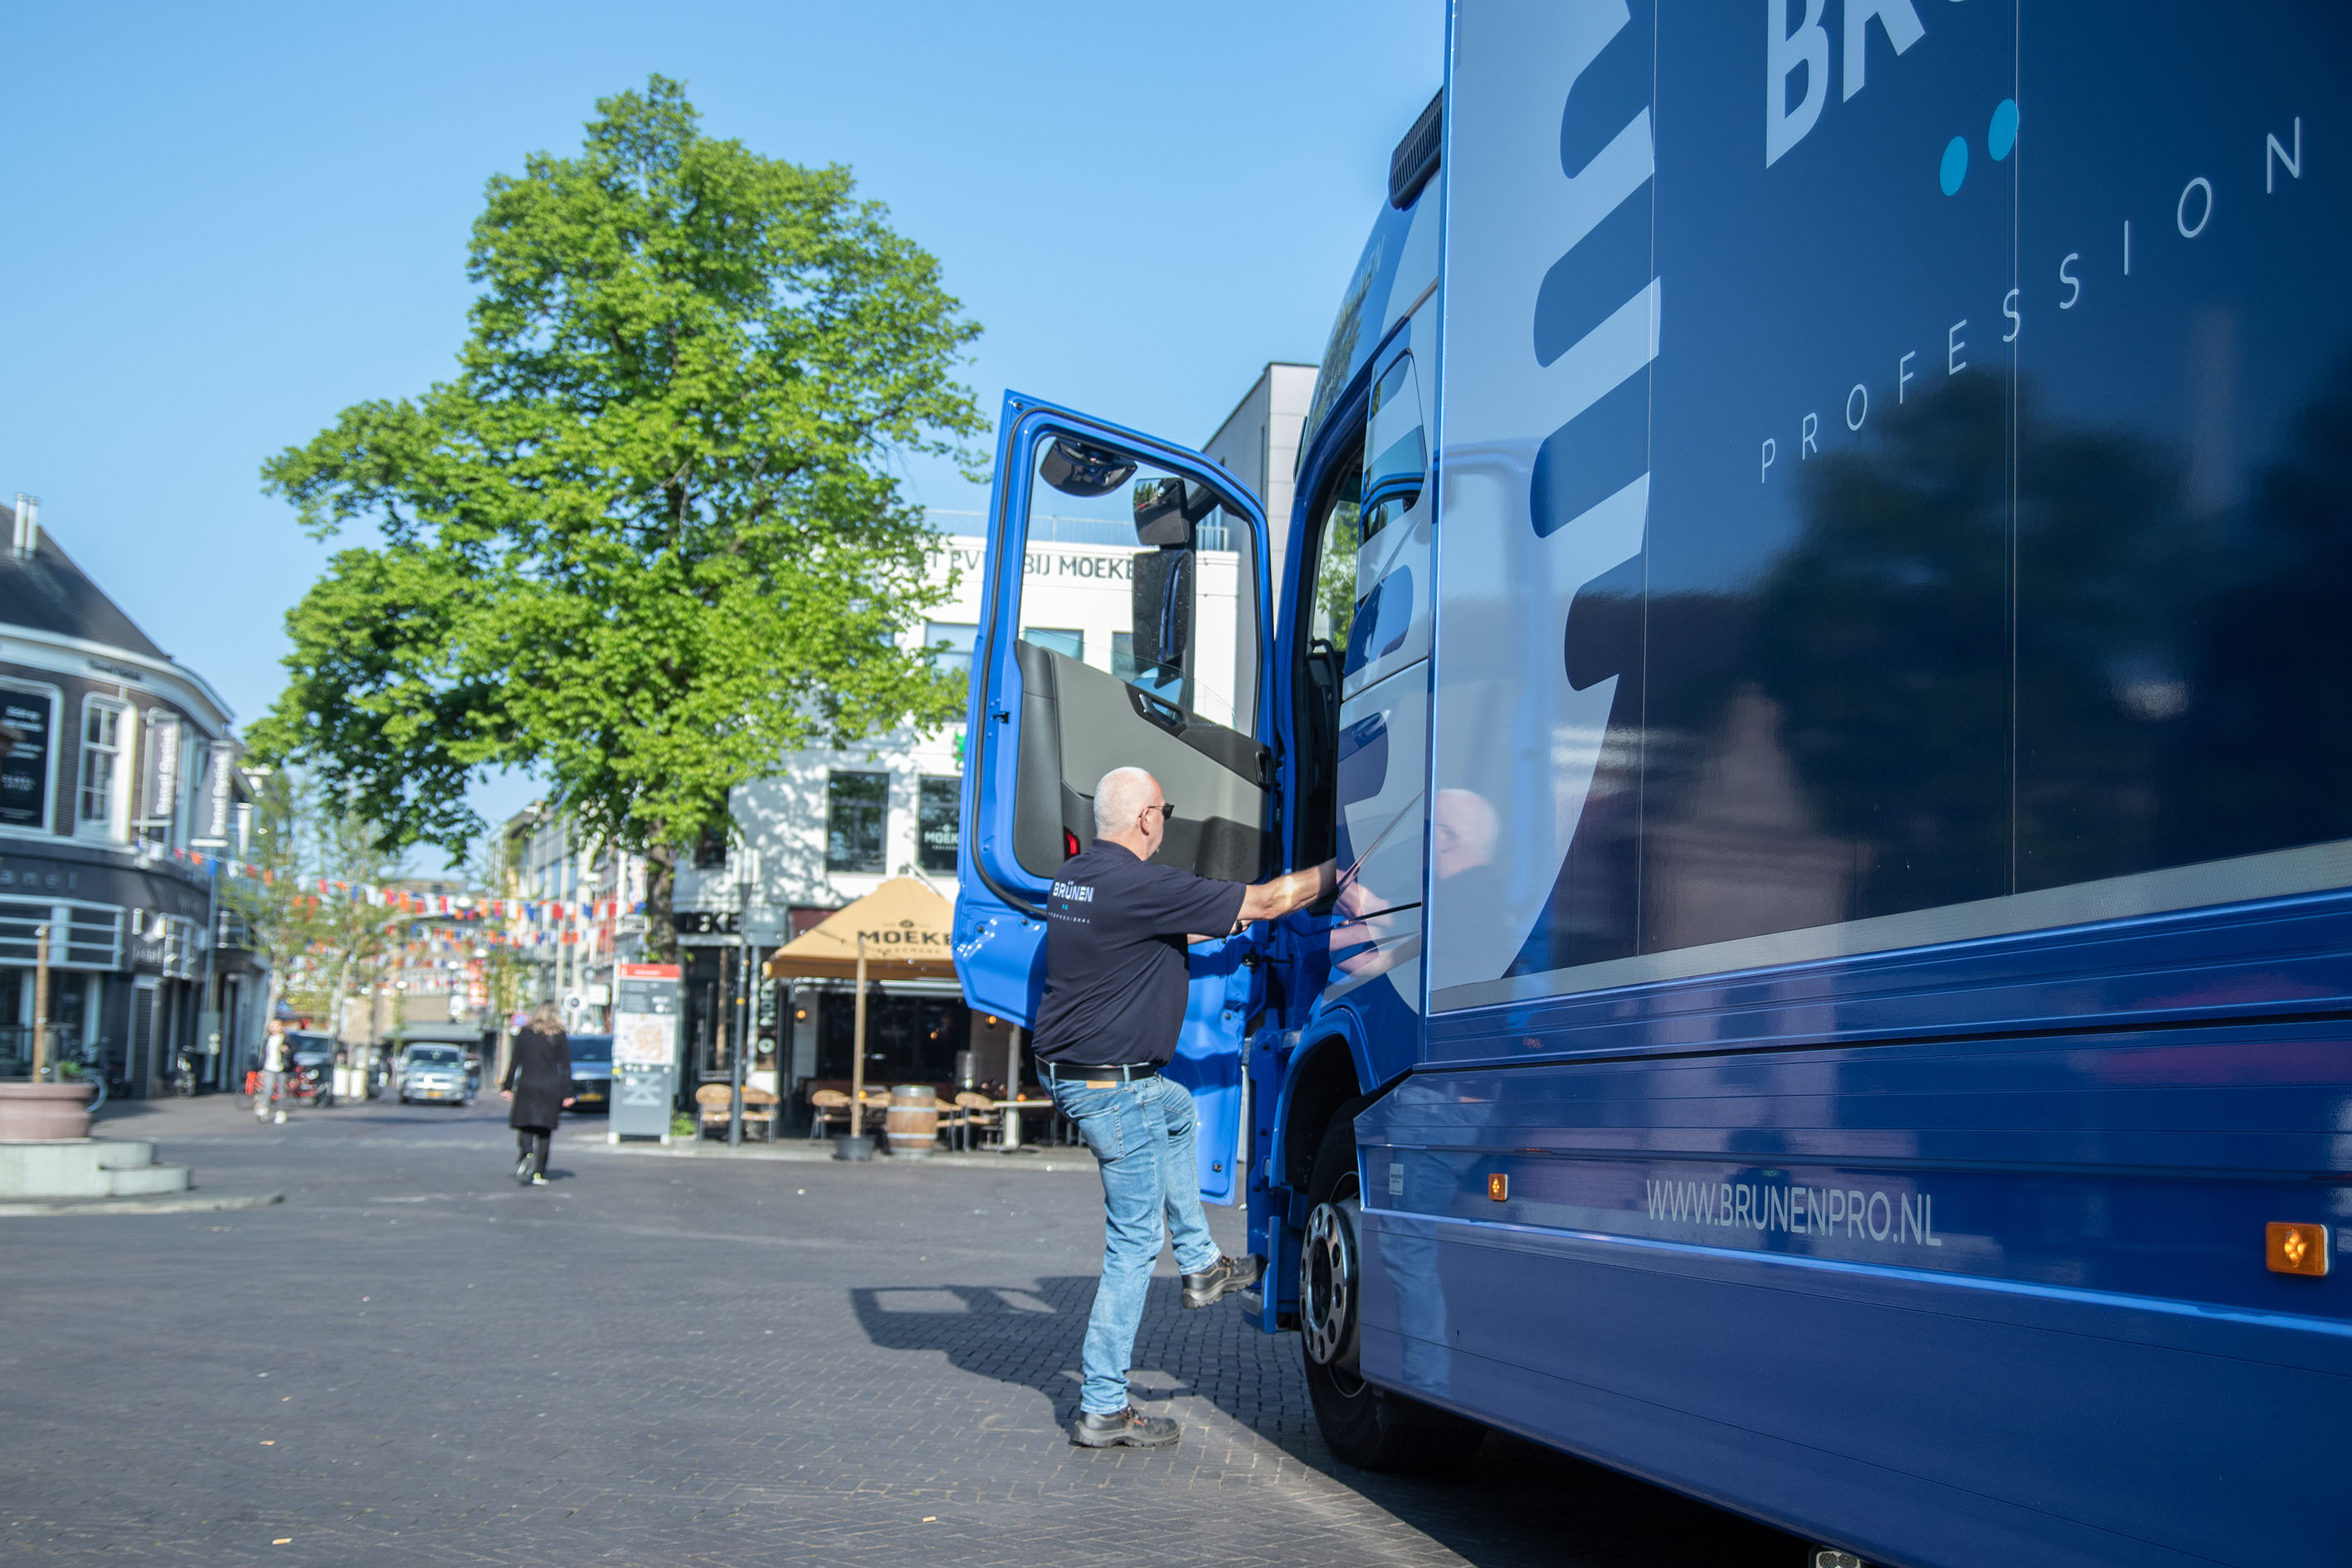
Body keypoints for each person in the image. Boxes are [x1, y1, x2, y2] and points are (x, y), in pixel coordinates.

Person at [1038, 765, 1336, 1449]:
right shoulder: (1141, 883)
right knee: (1133, 1246)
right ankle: (1104, 1407)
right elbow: (1264, 903)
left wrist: (1212, 930)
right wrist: (1341, 867)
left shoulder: (1074, 879)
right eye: (1164, 808)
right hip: (1113, 1088)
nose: (1165, 819)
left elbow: (1138, 938)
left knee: (1177, 1107)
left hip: (1079, 1073)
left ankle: (1201, 1264)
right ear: (1146, 818)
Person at [499, 1002, 575, 1186]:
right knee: (544, 1131)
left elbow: (515, 1061)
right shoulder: (559, 1035)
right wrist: (568, 1093)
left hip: (528, 1085)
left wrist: (507, 1086)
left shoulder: (525, 1033)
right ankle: (539, 1173)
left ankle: (527, 1152)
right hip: (550, 1087)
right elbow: (565, 1066)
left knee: (525, 1125)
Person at [255, 1020, 291, 1124]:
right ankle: (264, 1109)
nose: (274, 1028)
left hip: (281, 1068)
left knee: (281, 1091)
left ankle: (281, 1113)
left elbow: (293, 1050)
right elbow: (264, 1053)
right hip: (269, 1067)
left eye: (276, 1026)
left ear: (281, 1027)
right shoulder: (268, 1039)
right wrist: (261, 1067)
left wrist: (287, 1050)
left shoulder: (285, 1039)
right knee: (267, 1089)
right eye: (272, 1027)